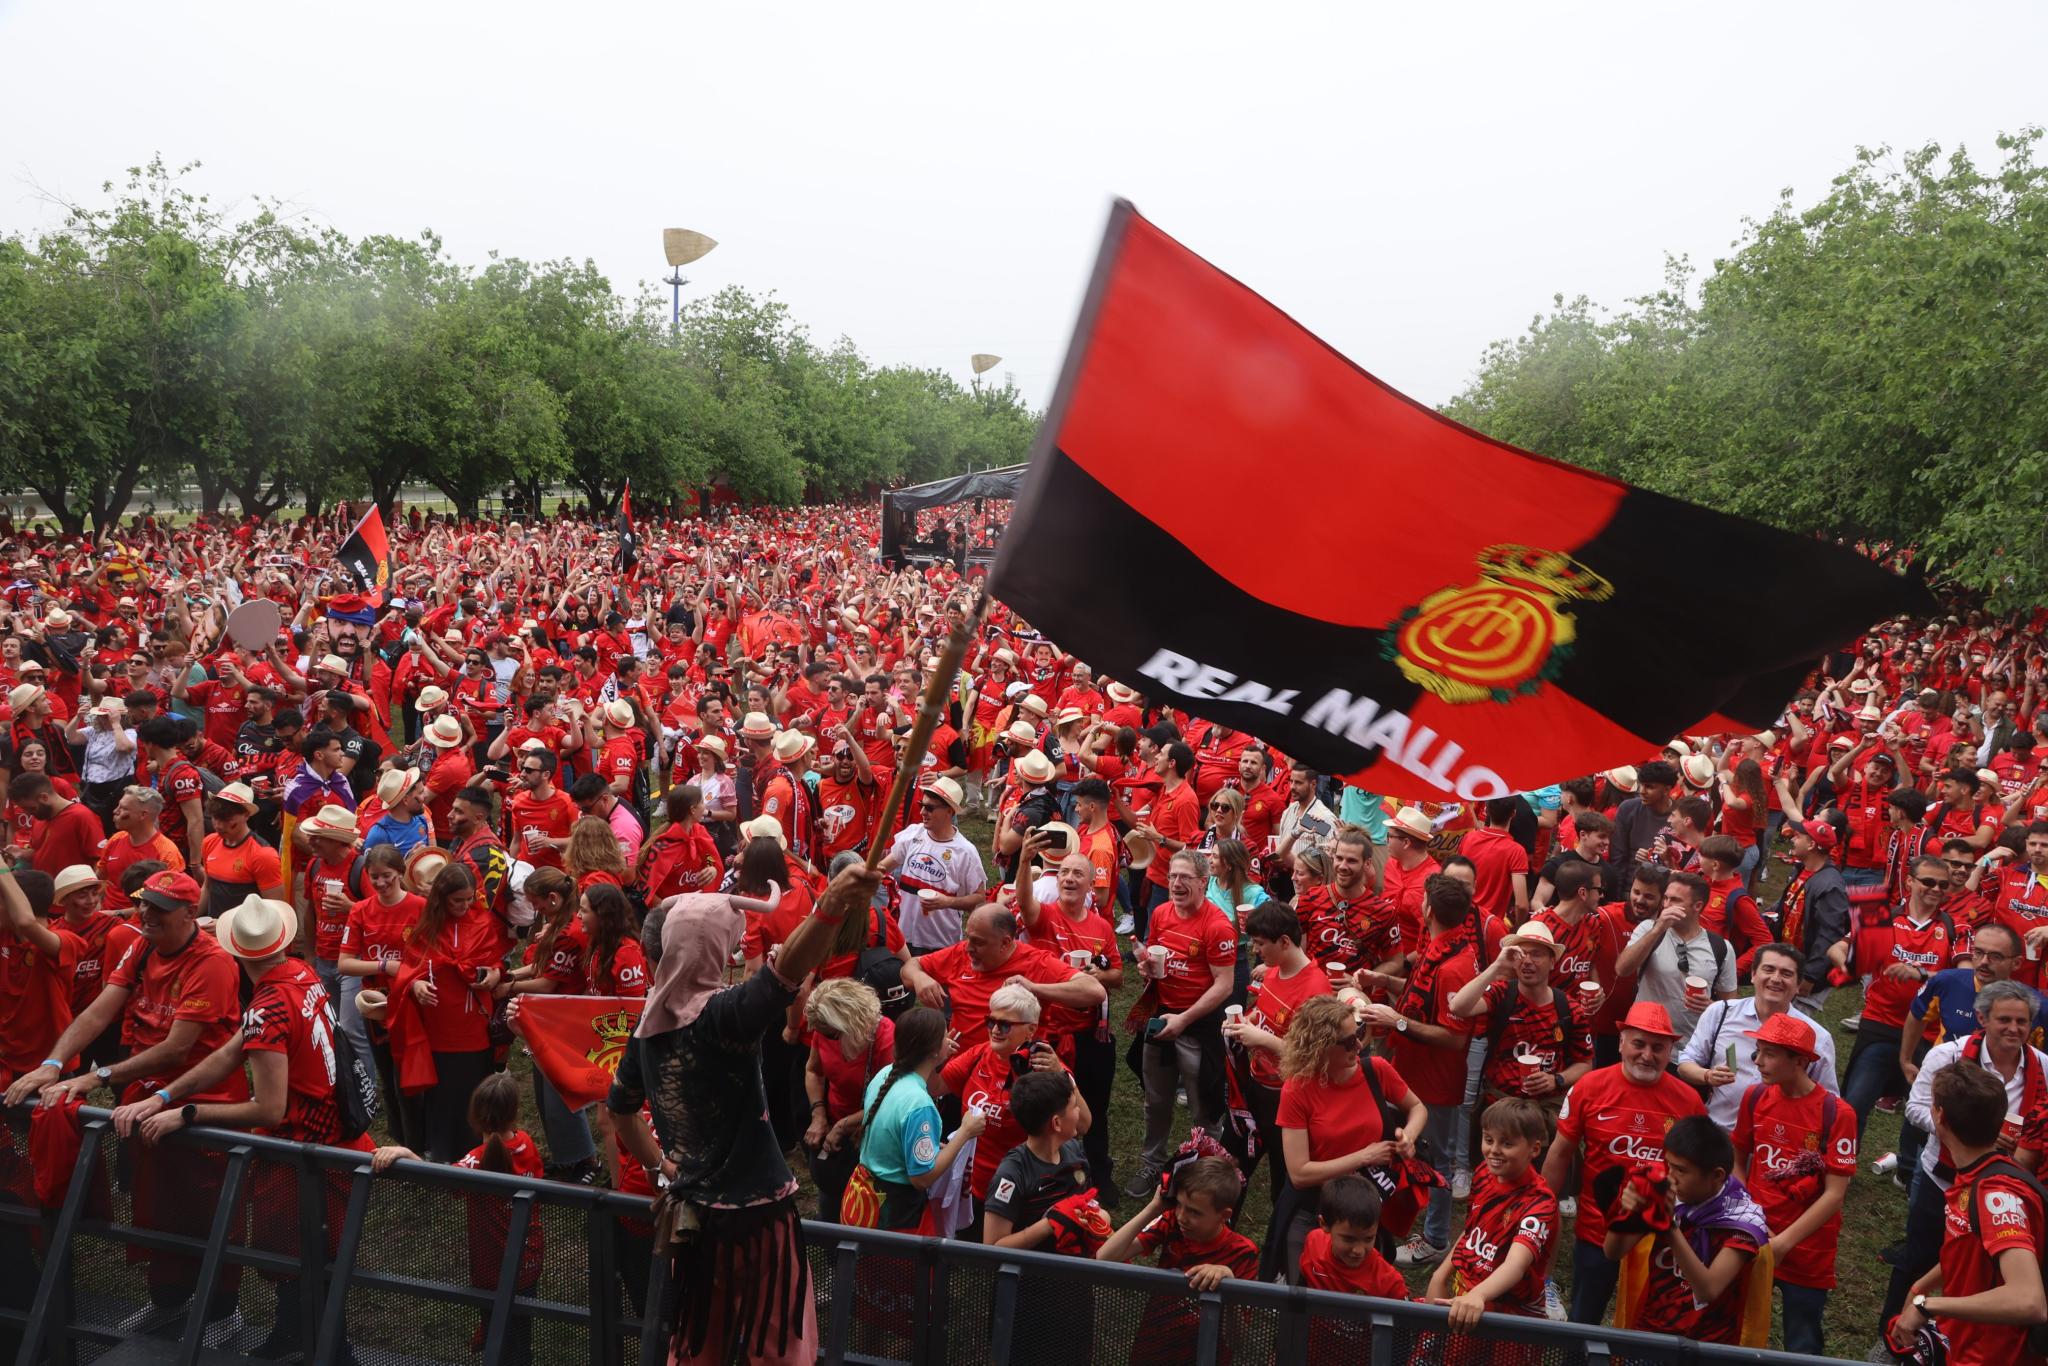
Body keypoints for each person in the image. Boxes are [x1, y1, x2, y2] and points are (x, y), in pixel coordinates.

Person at [602, 863, 879, 1366]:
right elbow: (785, 972)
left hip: (692, 1215)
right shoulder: (721, 1017)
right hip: (757, 1223)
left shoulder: (648, 1027)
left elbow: (620, 1111)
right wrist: (830, 902)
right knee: (778, 1348)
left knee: (697, 1344)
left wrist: (662, 1168)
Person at [107, 894, 373, 1361]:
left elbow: (268, 1108)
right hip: (330, 1140)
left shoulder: (266, 1007)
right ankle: (302, 1338)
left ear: (234, 950)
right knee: (308, 1259)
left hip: (304, 1150)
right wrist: (165, 1095)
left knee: (296, 1258)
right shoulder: (300, 973)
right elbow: (232, 1051)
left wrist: (188, 1112)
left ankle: (315, 1346)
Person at [4, 869, 248, 1339]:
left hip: (201, 1102)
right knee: (155, 1203)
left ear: (187, 913)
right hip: (147, 1100)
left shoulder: (213, 963)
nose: (144, 914)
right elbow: (101, 1007)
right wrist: (54, 1063)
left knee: (208, 1209)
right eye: (142, 904)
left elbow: (179, 1047)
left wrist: (94, 1077)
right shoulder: (143, 946)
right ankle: (169, 1303)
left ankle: (222, 1312)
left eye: (157, 908)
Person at [1882, 979, 2048, 1344]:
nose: (2014, 1029)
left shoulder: (2043, 1066)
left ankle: (1955, 1339)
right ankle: (1889, 1337)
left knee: (1982, 1269)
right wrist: (1965, 1130)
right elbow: (1914, 1109)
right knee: (1918, 1259)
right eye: (2004, 1019)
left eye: (2022, 1022)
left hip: (2001, 1187)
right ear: (1982, 1019)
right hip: (1941, 1179)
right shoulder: (1948, 1056)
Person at [1540, 1002, 1705, 1325]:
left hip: (1661, 1234)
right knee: (1584, 1315)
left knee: (1654, 1321)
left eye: (1658, 1047)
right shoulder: (1588, 1088)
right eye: (1638, 1044)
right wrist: (1541, 1202)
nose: (1647, 1055)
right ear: (1620, 1043)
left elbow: (1699, 1170)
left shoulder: (1689, 1100)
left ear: (1671, 1049)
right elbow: (1560, 1153)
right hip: (1597, 1229)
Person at [1363, 875, 1478, 1263]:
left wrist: (1396, 1021)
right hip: (1413, 1069)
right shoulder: (1444, 945)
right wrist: (1384, 980)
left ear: (1428, 910)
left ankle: (1435, 1239)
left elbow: (1454, 1037)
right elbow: (1419, 991)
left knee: (1436, 1158)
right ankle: (1405, 1217)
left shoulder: (1454, 967)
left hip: (1436, 1081)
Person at [1728, 1010, 1856, 1357]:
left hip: (1807, 1251)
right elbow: (1738, 1161)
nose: (1758, 1061)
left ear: (1799, 1061)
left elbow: (1834, 1195)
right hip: (1753, 1236)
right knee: (1736, 1330)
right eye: (1758, 1051)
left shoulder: (1837, 1113)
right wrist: (1747, 1215)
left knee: (1801, 1338)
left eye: (1769, 1054)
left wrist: (1783, 1243)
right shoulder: (1754, 1098)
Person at [1275, 994, 1427, 1277]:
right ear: (1319, 1047)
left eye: (1357, 1032)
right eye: (1347, 1041)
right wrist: (1364, 1156)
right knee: (1305, 1294)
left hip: (1365, 1207)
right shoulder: (1297, 1090)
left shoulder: (1375, 1069)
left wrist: (1409, 1135)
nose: (1358, 1044)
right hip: (1316, 1210)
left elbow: (1417, 1107)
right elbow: (1299, 1173)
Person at [1605, 1115, 1769, 1346]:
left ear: (1717, 1175)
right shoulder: (1665, 1195)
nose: (1671, 1176)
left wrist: (1669, 1227)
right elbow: (1613, 1252)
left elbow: (1707, 1290)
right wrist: (1627, 1212)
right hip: (1651, 1334)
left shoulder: (1742, 1221)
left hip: (1710, 1346)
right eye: (1669, 1165)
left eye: (1681, 1170)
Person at [1129, 849, 1237, 1196]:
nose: (1175, 883)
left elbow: (1225, 984)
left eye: (1184, 878)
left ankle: (1206, 1170)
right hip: (1162, 1019)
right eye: (1173, 876)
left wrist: (1185, 1018)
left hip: (1199, 1026)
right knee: (1157, 1099)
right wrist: (1146, 966)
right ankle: (1152, 1162)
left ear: (1203, 882)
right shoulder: (1160, 913)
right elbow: (1155, 955)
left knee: (1203, 1104)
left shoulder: (1218, 925)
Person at [932, 981, 1087, 1221]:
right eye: (991, 1022)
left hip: (1021, 1191)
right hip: (970, 1186)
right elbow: (933, 1087)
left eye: (1005, 1025)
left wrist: (1063, 1077)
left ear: (1030, 1030)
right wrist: (935, 1056)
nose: (994, 1030)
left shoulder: (1045, 1067)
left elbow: (1083, 1125)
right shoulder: (979, 1054)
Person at [1097, 1156, 1260, 1366]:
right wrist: (1154, 1208)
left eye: (1194, 1211)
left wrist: (1228, 1283)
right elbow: (1105, 1257)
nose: (1182, 1216)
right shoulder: (1171, 1223)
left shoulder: (1242, 1253)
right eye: (1179, 1205)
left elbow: (1237, 1340)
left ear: (1224, 1215)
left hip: (1205, 1356)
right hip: (1153, 1348)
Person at [1844, 854, 1961, 1141]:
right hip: (1881, 1023)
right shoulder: (1881, 918)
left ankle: (1909, 1173)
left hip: (1928, 1032)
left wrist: (1920, 974)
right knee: (1854, 1103)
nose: (1936, 889)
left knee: (1923, 1112)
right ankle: (1839, 1165)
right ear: (1909, 882)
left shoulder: (1955, 928)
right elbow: (1844, 950)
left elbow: (1963, 980)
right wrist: (1844, 956)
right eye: (1928, 882)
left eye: (1943, 885)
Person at [841, 1005, 985, 1234]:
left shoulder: (885, 1074)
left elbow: (893, 1133)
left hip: (862, 1198)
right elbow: (922, 1178)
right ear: (934, 1051)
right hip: (894, 1218)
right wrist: (965, 1132)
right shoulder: (920, 1105)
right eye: (943, 1037)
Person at [1225, 903, 1332, 1204]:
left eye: (1260, 943)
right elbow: (1265, 1012)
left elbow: (1315, 1057)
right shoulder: (1274, 972)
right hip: (1256, 1087)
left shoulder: (1316, 989)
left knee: (1283, 1183)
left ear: (1284, 942)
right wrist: (1247, 1022)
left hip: (1287, 1098)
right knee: (1228, 1165)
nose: (1256, 951)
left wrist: (1261, 1038)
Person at [1674, 942, 1840, 1127]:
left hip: (1775, 1145)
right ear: (1753, 975)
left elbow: (1828, 1102)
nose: (1776, 979)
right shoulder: (1720, 1012)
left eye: (1786, 974)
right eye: (1768, 969)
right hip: (1719, 1135)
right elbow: (1685, 1063)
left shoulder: (1817, 1037)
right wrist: (1707, 1076)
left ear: (1798, 985)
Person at [1424, 1097, 1558, 1327]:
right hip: (1467, 1293)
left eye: (1507, 1144)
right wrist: (1440, 1275)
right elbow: (1470, 1231)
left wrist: (1478, 1295)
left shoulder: (1539, 1203)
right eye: (1488, 1140)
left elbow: (1515, 1265)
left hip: (1510, 1313)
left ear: (1534, 1149)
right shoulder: (1484, 1173)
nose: (1494, 1151)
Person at [899, 903, 1104, 1045]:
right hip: (959, 1066)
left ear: (1005, 943)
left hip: (1010, 1074)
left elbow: (1094, 991)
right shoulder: (961, 953)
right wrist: (920, 977)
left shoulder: (1036, 963)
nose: (968, 948)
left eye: (978, 942)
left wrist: (1034, 989)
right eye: (969, 937)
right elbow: (908, 968)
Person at [802, 977, 894, 1223]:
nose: (823, 1037)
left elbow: (887, 1102)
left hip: (871, 1134)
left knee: (867, 1207)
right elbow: (813, 1071)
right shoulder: (826, 1030)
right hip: (835, 1121)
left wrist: (843, 1126)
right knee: (831, 1198)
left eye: (830, 1034)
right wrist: (819, 1114)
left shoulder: (886, 1039)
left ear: (850, 1024)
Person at [1615, 869, 1737, 1045]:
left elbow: (1729, 1006)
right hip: (1644, 1039)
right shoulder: (1648, 929)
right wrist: (1658, 929)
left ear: (1697, 906)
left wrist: (1711, 1007)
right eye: (1666, 898)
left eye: (1675, 900)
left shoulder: (1721, 948)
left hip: (1690, 1049)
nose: (1666, 905)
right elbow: (1622, 969)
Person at [879, 776, 988, 953]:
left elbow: (978, 897)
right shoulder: (914, 834)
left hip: (939, 943)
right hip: (902, 937)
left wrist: (947, 901)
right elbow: (884, 867)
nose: (922, 812)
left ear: (949, 812)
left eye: (929, 808)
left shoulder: (965, 852)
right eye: (921, 805)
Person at [0, 868, 82, 1088]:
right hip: (8, 1059)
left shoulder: (65, 940)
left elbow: (26, 922)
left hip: (49, 1065)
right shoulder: (5, 935)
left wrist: (2, 868)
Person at [1772, 817, 1854, 1006]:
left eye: (1798, 836)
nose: (1792, 839)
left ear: (1811, 845)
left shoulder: (1830, 886)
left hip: (1805, 974)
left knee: (1791, 1028)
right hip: (1790, 962)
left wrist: (1810, 975)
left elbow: (1829, 934)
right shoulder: (1803, 870)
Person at [96, 785, 185, 911]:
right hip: (105, 915)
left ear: (143, 815)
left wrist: (117, 914)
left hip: (141, 920)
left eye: (123, 808)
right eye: (118, 806)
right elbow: (100, 877)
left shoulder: (167, 853)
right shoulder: (116, 839)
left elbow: (164, 900)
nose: (115, 811)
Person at [8, 770, 106, 878]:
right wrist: (22, 853)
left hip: (72, 891)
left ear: (44, 797)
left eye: (30, 808)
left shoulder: (82, 817)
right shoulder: (40, 816)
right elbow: (42, 851)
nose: (27, 813)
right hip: (45, 889)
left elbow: (100, 862)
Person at [1459, 796, 1531, 920]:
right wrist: (1516, 930)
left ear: (1486, 811)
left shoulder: (1469, 837)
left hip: (1461, 916)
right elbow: (1522, 905)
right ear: (1513, 813)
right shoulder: (1516, 851)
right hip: (1490, 924)